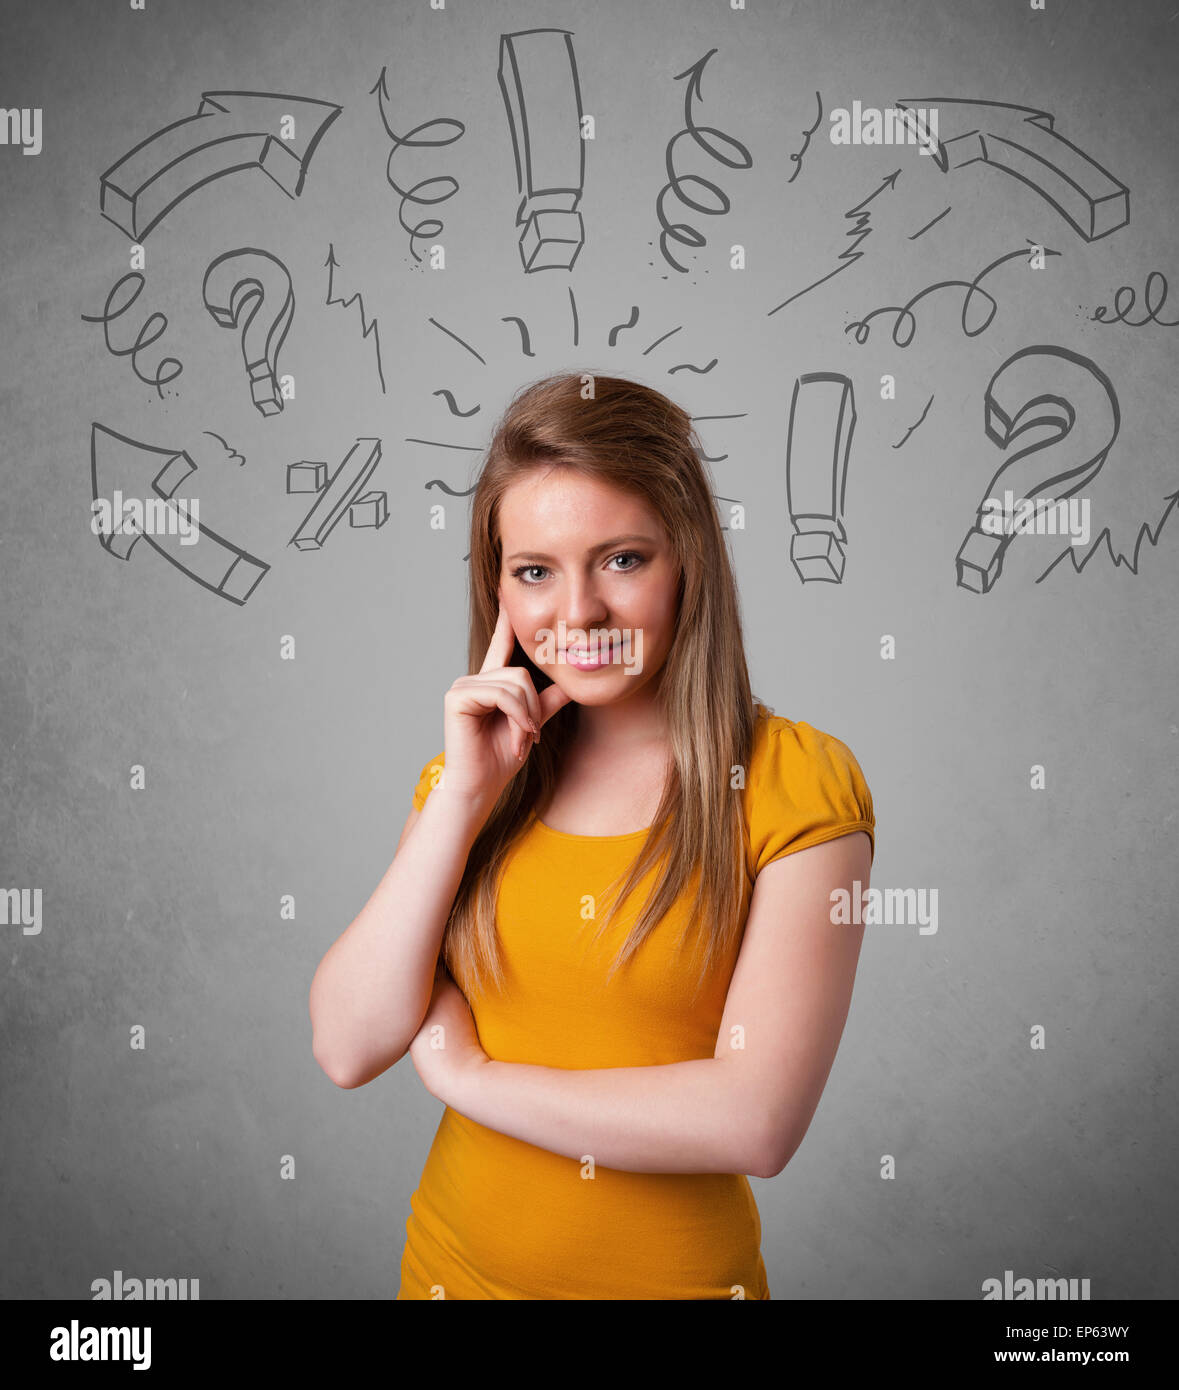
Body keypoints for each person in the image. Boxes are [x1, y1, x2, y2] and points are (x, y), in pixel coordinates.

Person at [308, 371, 876, 1299]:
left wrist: (472, 1079)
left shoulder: (793, 785)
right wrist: (461, 800)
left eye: (620, 559)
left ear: (687, 558)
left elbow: (756, 1120)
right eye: (534, 571)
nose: (576, 615)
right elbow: (346, 1043)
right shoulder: (468, 783)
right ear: (496, 587)